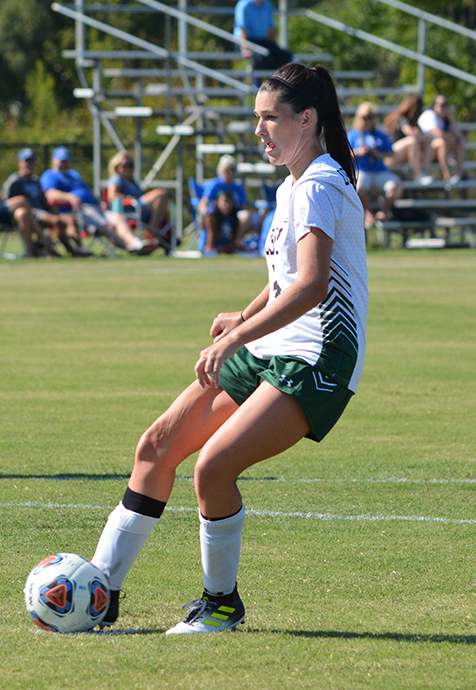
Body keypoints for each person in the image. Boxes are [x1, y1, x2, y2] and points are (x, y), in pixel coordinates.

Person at [88, 62, 367, 634]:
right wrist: (244, 315)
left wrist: (240, 335)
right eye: (256, 118)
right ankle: (100, 591)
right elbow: (285, 278)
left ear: (307, 119)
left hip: (317, 356)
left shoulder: (318, 184)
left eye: (271, 118)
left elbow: (313, 286)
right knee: (157, 446)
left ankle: (220, 605)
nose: (259, 130)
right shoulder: (293, 184)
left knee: (212, 468)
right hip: (275, 343)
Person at [40, 147, 155, 254]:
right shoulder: (50, 175)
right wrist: (70, 197)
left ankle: (135, 243)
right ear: (54, 160)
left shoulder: (74, 175)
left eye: (66, 161)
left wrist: (99, 201)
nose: (64, 164)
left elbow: (87, 191)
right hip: (78, 211)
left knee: (119, 218)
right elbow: (50, 194)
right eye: (61, 161)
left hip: (95, 207)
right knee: (106, 226)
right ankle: (130, 247)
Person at [3, 148, 90, 257]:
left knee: (70, 218)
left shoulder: (35, 181)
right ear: (19, 162)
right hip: (27, 214)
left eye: (31, 161)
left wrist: (52, 208)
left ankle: (78, 247)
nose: (29, 164)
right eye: (26, 161)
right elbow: (9, 203)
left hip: (42, 212)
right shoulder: (15, 181)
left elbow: (43, 201)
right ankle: (68, 250)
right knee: (55, 220)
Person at [348, 101, 402, 227]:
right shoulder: (353, 135)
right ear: (359, 118)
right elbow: (343, 153)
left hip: (380, 171)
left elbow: (392, 153)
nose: (367, 121)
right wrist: (358, 152)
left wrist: (379, 154)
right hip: (362, 170)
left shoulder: (380, 135)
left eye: (370, 117)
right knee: (357, 187)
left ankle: (383, 211)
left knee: (397, 186)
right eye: (364, 117)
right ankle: (368, 213)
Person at [104, 151, 170, 244]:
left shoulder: (132, 181)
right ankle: (153, 230)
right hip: (131, 210)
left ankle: (160, 232)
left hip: (140, 209)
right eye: (123, 165)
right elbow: (112, 196)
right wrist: (129, 199)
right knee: (161, 193)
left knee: (161, 198)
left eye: (130, 165)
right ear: (117, 167)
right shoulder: (116, 178)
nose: (127, 168)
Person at [199, 155, 258, 241]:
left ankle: (234, 242)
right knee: (210, 215)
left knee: (248, 216)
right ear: (221, 170)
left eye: (232, 170)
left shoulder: (238, 186)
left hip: (234, 217)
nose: (229, 173)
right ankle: (211, 243)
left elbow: (244, 206)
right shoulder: (215, 185)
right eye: (227, 170)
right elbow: (204, 202)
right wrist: (205, 214)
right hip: (217, 215)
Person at [383, 96, 434, 185]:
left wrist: (428, 139)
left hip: (400, 153)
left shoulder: (413, 122)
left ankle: (425, 172)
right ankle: (418, 174)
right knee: (413, 141)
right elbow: (411, 133)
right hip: (389, 155)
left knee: (426, 143)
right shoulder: (400, 118)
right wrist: (427, 138)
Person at [417, 94, 467, 182]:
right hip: (425, 151)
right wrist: (452, 139)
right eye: (441, 105)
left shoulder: (446, 119)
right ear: (434, 105)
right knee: (442, 142)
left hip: (443, 151)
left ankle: (461, 174)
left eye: (446, 105)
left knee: (460, 143)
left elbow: (459, 137)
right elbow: (437, 133)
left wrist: (451, 120)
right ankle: (447, 176)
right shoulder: (428, 115)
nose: (444, 107)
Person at [234, 0, 291, 72]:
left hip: (261, 41)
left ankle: (271, 77)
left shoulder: (267, 5)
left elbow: (271, 28)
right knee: (262, 58)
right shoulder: (244, 5)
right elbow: (242, 29)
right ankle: (253, 73)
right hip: (246, 41)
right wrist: (244, 49)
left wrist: (275, 47)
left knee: (285, 56)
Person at [202, 190, 243, 254]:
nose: (226, 205)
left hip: (226, 248)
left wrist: (227, 248)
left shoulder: (234, 216)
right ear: (218, 202)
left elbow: (234, 239)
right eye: (224, 202)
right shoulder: (212, 216)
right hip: (212, 249)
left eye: (229, 202)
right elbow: (210, 239)